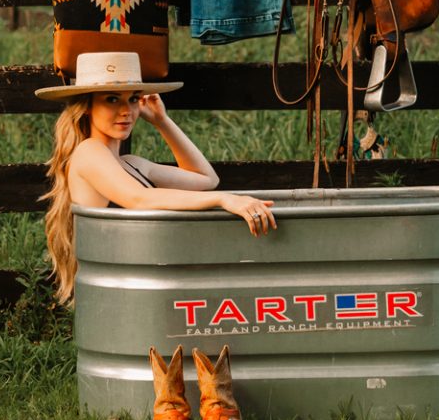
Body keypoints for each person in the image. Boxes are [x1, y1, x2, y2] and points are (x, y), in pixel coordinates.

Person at [36, 51, 276, 302]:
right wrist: (223, 200)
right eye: (112, 99)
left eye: (133, 99)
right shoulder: (88, 151)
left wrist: (162, 121)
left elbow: (206, 179)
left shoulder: (131, 165)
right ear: (86, 106)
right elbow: (138, 199)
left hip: (142, 280)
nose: (126, 111)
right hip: (119, 289)